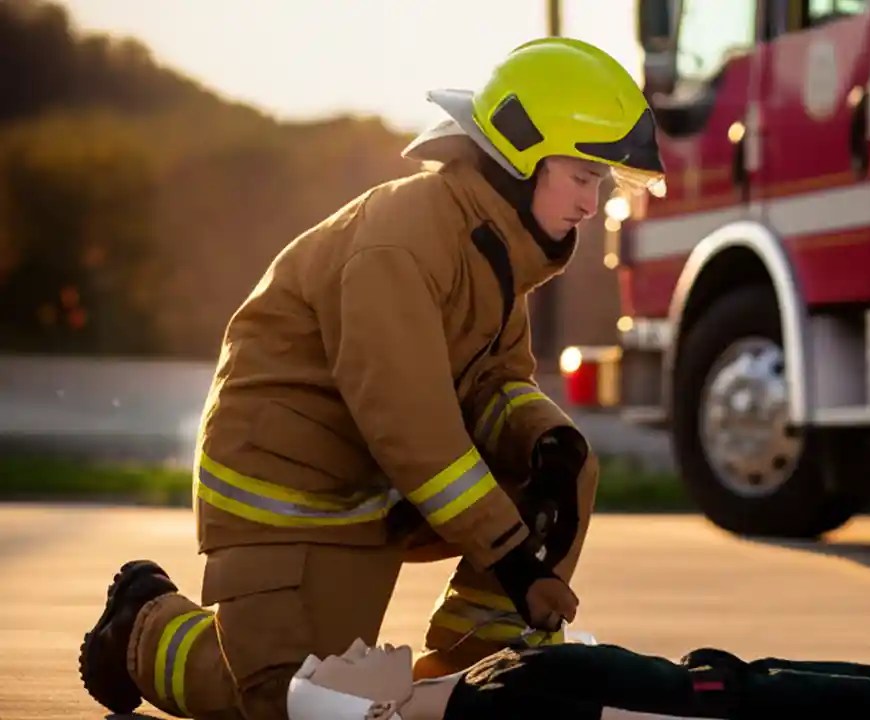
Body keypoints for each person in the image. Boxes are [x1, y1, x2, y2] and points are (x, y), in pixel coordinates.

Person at [77, 36, 666, 720]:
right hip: (284, 494)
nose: (593, 206)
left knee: (568, 463)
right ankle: (142, 628)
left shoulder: (496, 253)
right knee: (293, 704)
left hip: (371, 486)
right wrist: (516, 563)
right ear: (516, 153)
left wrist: (548, 450)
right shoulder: (403, 244)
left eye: (603, 184)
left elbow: (495, 387)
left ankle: (482, 667)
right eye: (582, 177)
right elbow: (409, 425)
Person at [285, 637, 870, 720]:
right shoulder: (492, 712)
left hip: (738, 680)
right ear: (367, 705)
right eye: (340, 664)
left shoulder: (478, 675)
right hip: (750, 709)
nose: (355, 644)